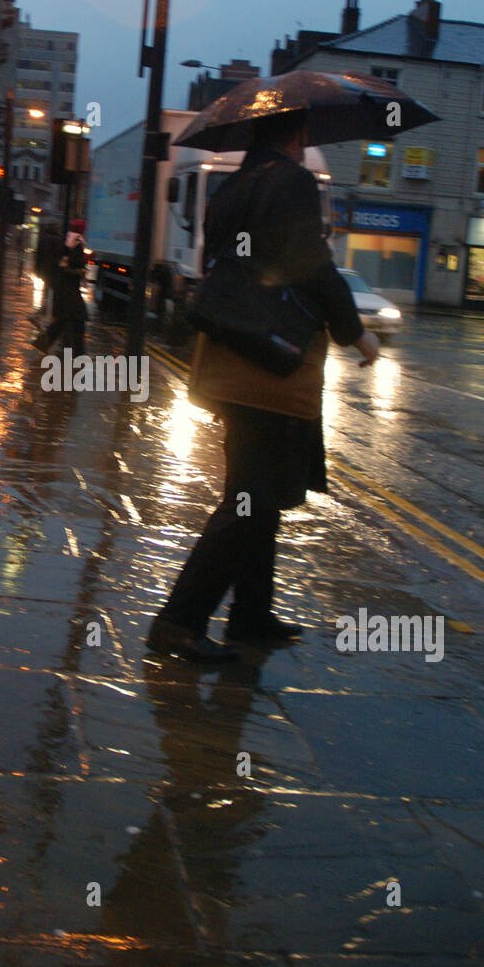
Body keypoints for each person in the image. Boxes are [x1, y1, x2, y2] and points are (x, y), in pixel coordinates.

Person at [147, 108, 380, 663]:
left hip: (231, 353)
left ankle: (250, 616)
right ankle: (177, 623)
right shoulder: (292, 181)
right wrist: (355, 333)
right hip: (270, 363)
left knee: (260, 495)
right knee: (250, 500)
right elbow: (313, 266)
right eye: (307, 135)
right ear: (298, 132)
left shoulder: (232, 187)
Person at [34, 218, 88, 356]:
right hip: (69, 287)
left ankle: (45, 343)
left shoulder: (69, 239)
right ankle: (77, 352)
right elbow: (69, 262)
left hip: (65, 287)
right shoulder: (75, 241)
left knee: (68, 318)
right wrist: (80, 270)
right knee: (77, 318)